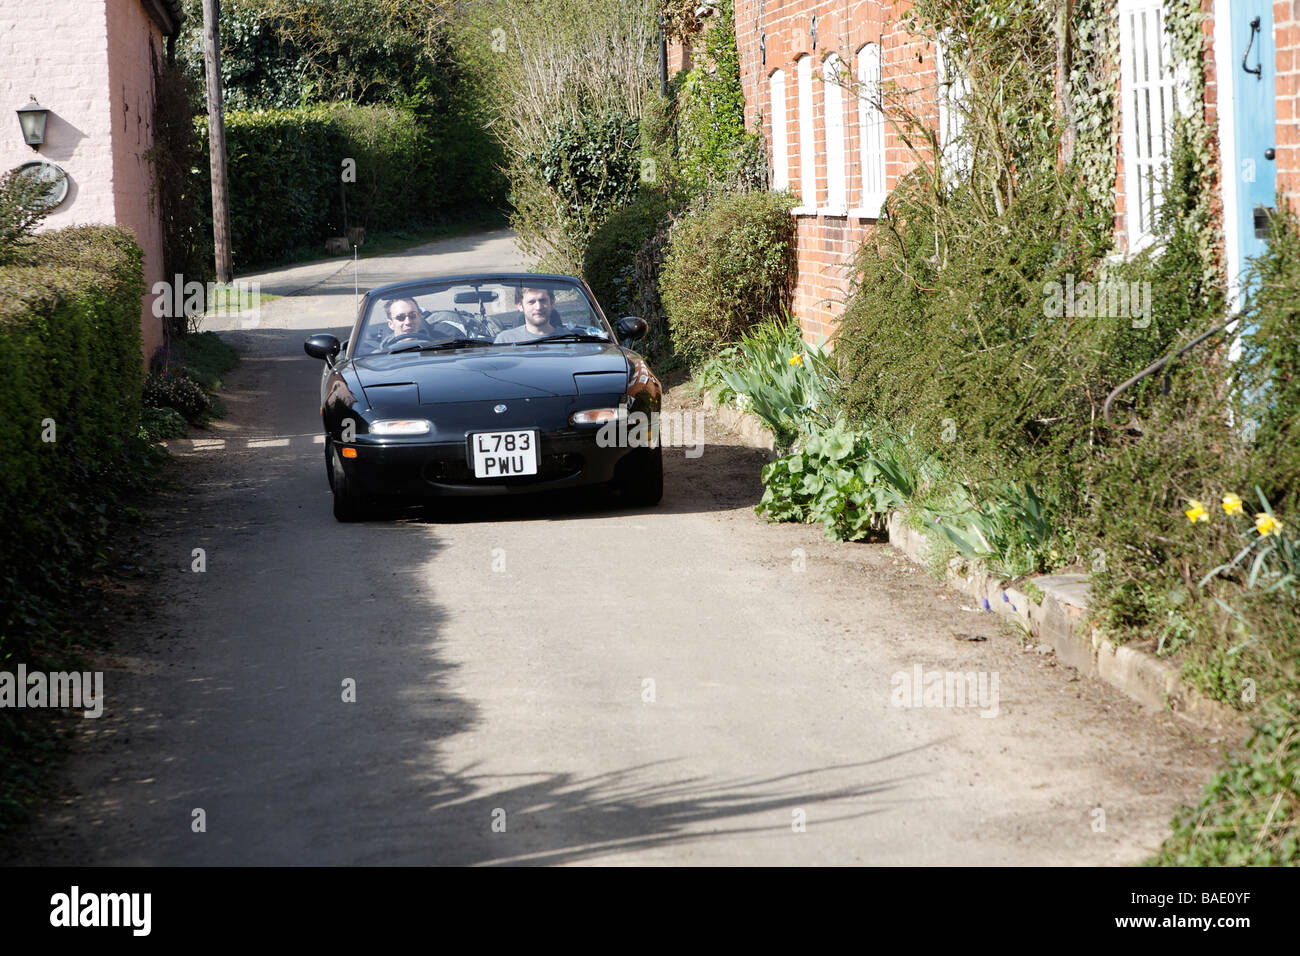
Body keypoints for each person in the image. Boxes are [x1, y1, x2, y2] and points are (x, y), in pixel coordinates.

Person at [493, 286, 573, 343]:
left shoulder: (570, 340)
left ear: (552, 303)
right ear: (520, 306)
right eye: (531, 302)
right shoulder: (505, 340)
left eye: (542, 300)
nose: (538, 307)